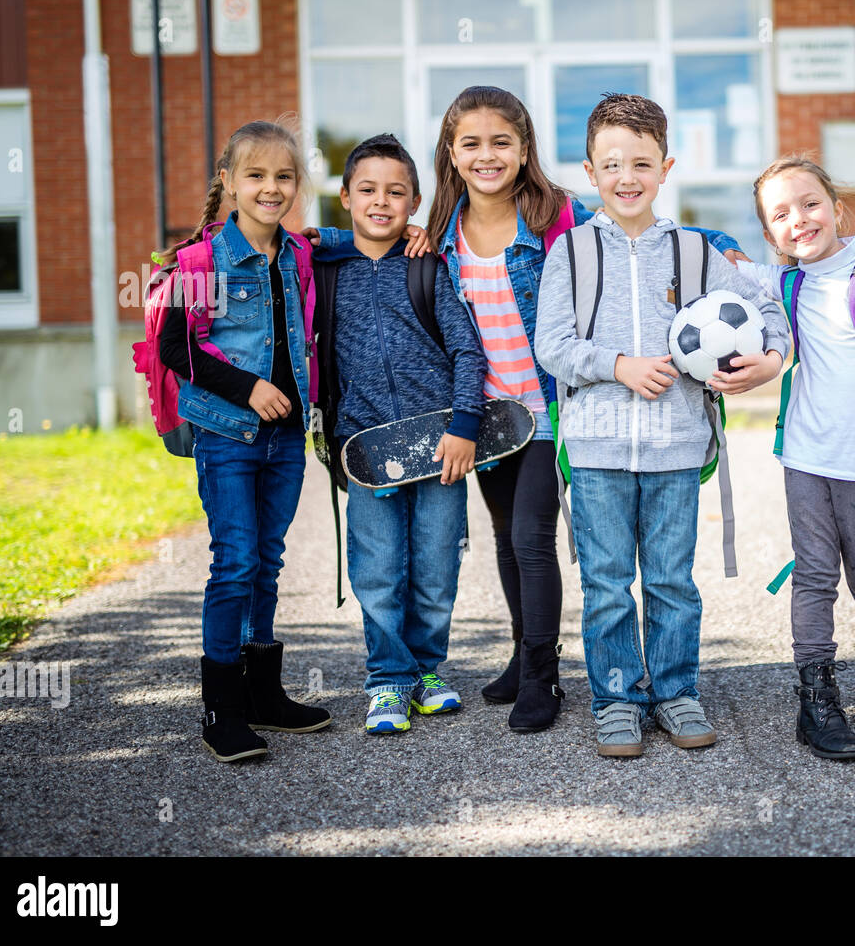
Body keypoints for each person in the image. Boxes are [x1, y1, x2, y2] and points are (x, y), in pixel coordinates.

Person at [421, 85, 744, 733]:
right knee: (555, 560)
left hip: (570, 418)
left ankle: (627, 686)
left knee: (633, 571)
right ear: (451, 155)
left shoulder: (554, 222)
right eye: (472, 144)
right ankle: (593, 686)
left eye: (502, 143)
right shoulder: (445, 237)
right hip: (503, 417)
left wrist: (728, 256)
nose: (627, 177)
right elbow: (556, 337)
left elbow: (715, 272)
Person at [534, 93, 789, 757]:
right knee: (608, 583)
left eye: (641, 163)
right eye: (612, 163)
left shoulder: (697, 252)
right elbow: (552, 345)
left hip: (678, 447)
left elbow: (769, 313)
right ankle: (618, 698)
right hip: (596, 451)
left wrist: (769, 362)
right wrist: (617, 365)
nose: (627, 177)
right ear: (590, 172)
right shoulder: (570, 254)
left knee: (672, 581)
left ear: (665, 167)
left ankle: (675, 692)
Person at [731, 155, 855, 761]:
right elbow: (729, 267)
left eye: (810, 204)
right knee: (814, 574)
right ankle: (816, 703)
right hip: (805, 457)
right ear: (771, 234)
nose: (800, 220)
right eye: (781, 214)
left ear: (836, 209)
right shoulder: (787, 281)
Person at [158, 119, 330, 763]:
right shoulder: (198, 262)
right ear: (228, 181)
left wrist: (413, 230)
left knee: (268, 559)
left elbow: (359, 236)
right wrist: (248, 388)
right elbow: (175, 346)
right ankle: (221, 710)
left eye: (284, 177)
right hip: (228, 433)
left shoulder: (300, 254)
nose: (271, 188)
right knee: (234, 561)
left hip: (284, 439)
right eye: (255, 176)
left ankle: (264, 695)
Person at [314, 133, 486, 735]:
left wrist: (466, 425)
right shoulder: (323, 268)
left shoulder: (429, 267)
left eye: (395, 192)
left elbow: (467, 348)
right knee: (379, 567)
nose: (380, 202)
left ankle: (427, 671)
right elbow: (291, 240)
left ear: (415, 203)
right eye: (367, 190)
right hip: (365, 447)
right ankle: (388, 680)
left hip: (442, 442)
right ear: (344, 197)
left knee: (436, 565)